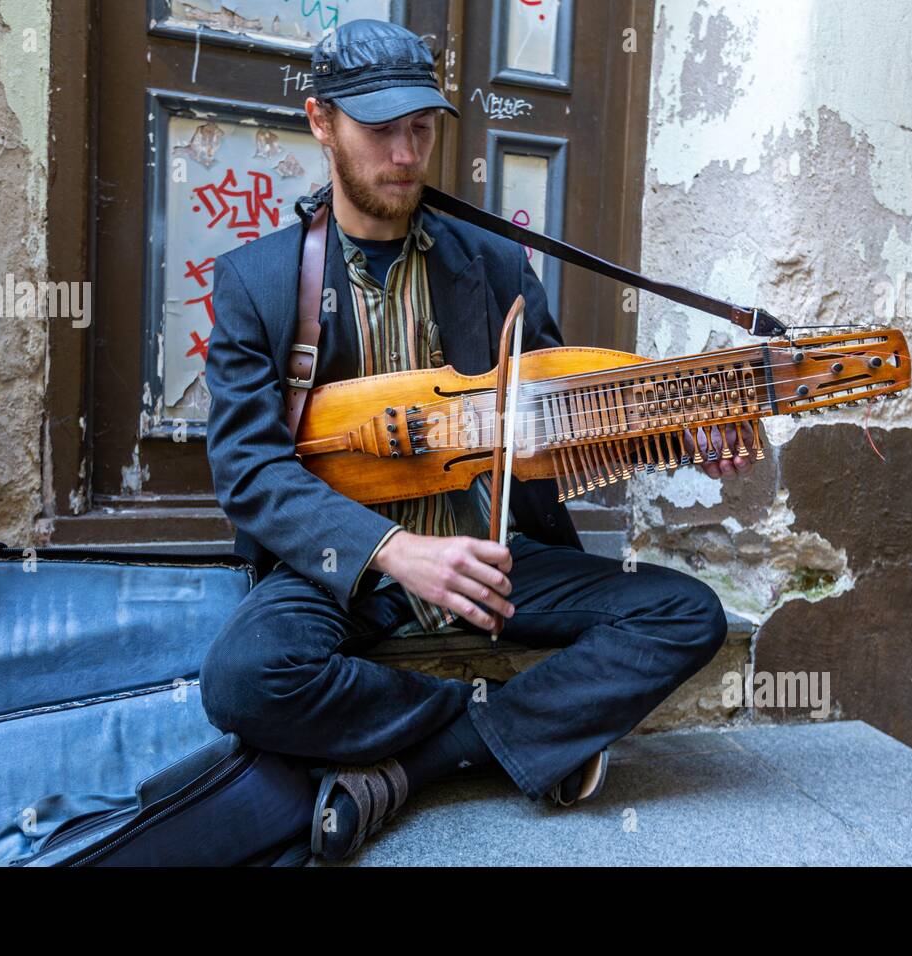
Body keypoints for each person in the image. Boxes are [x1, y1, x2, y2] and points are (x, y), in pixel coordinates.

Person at [199, 19, 752, 862]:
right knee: (243, 678)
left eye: (420, 128)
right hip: (347, 575)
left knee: (685, 614)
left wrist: (680, 436)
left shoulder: (492, 262)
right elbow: (248, 468)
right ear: (320, 122)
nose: (406, 153)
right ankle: (494, 730)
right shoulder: (261, 282)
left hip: (494, 552)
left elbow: (565, 421)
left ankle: (411, 765)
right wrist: (390, 551)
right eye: (379, 130)